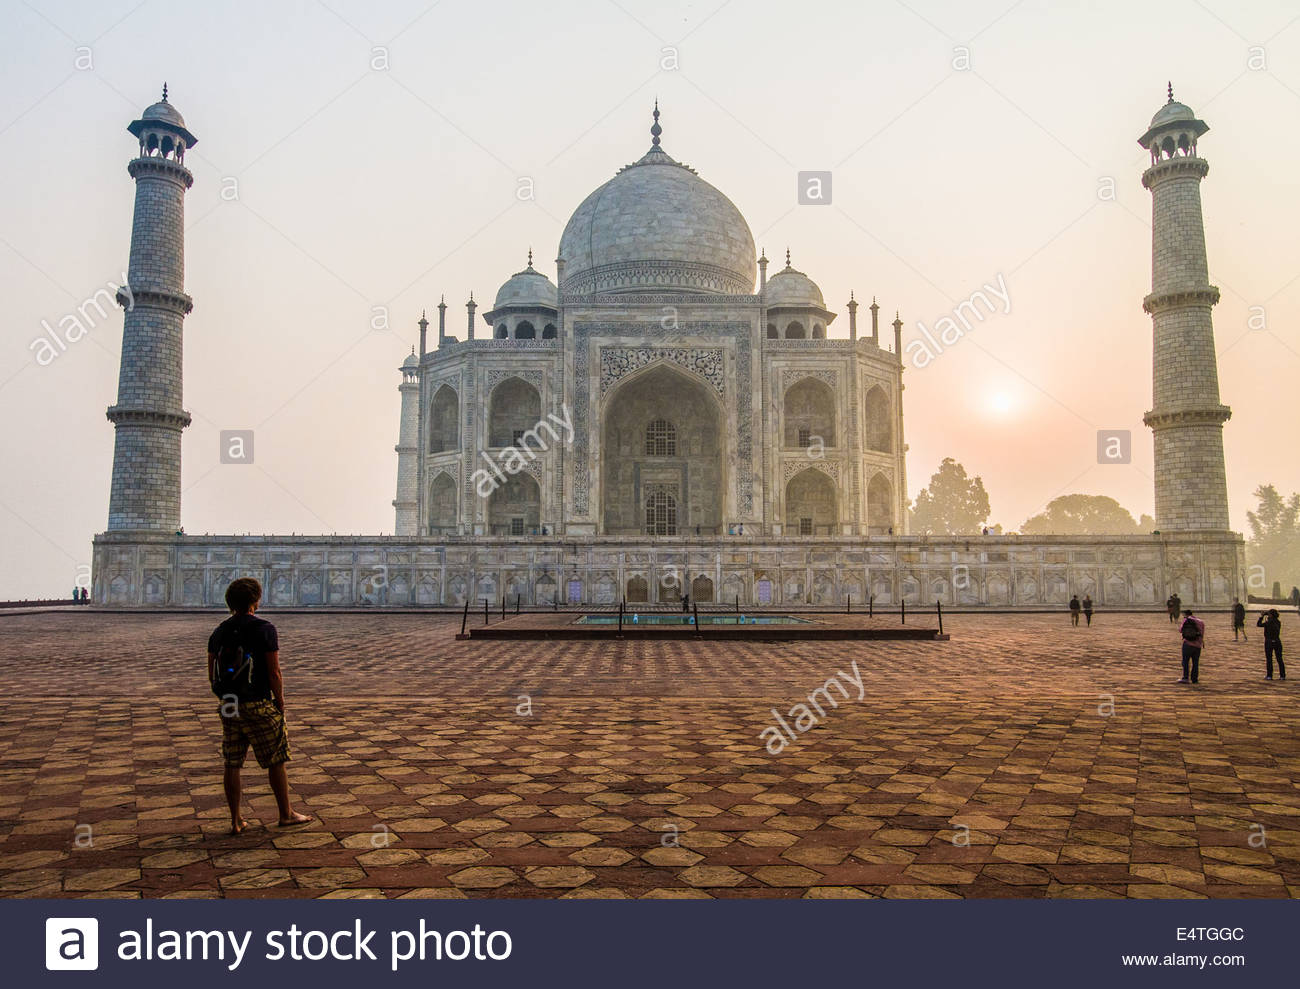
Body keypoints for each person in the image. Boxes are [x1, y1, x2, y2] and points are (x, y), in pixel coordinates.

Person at [208, 577, 310, 835]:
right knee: (276, 758)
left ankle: (235, 820)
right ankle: (286, 814)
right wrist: (280, 700)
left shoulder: (219, 631)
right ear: (256, 601)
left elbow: (212, 674)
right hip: (258, 703)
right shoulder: (264, 629)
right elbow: (274, 671)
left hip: (229, 705)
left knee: (232, 761)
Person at [1177, 609, 1204, 684]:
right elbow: (1202, 632)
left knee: (1185, 661)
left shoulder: (1186, 620)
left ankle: (1185, 677)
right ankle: (1194, 679)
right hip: (1198, 645)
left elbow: (1180, 630)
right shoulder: (1201, 622)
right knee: (1195, 663)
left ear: (1186, 614)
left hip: (1188, 644)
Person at [1257, 608, 1285, 680]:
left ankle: (1269, 675)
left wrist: (1261, 616)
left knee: (1269, 659)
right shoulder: (1278, 622)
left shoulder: (1268, 622)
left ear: (1271, 615)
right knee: (1279, 659)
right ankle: (1282, 675)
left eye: (1269, 614)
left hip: (1269, 641)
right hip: (1277, 641)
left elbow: (1259, 624)